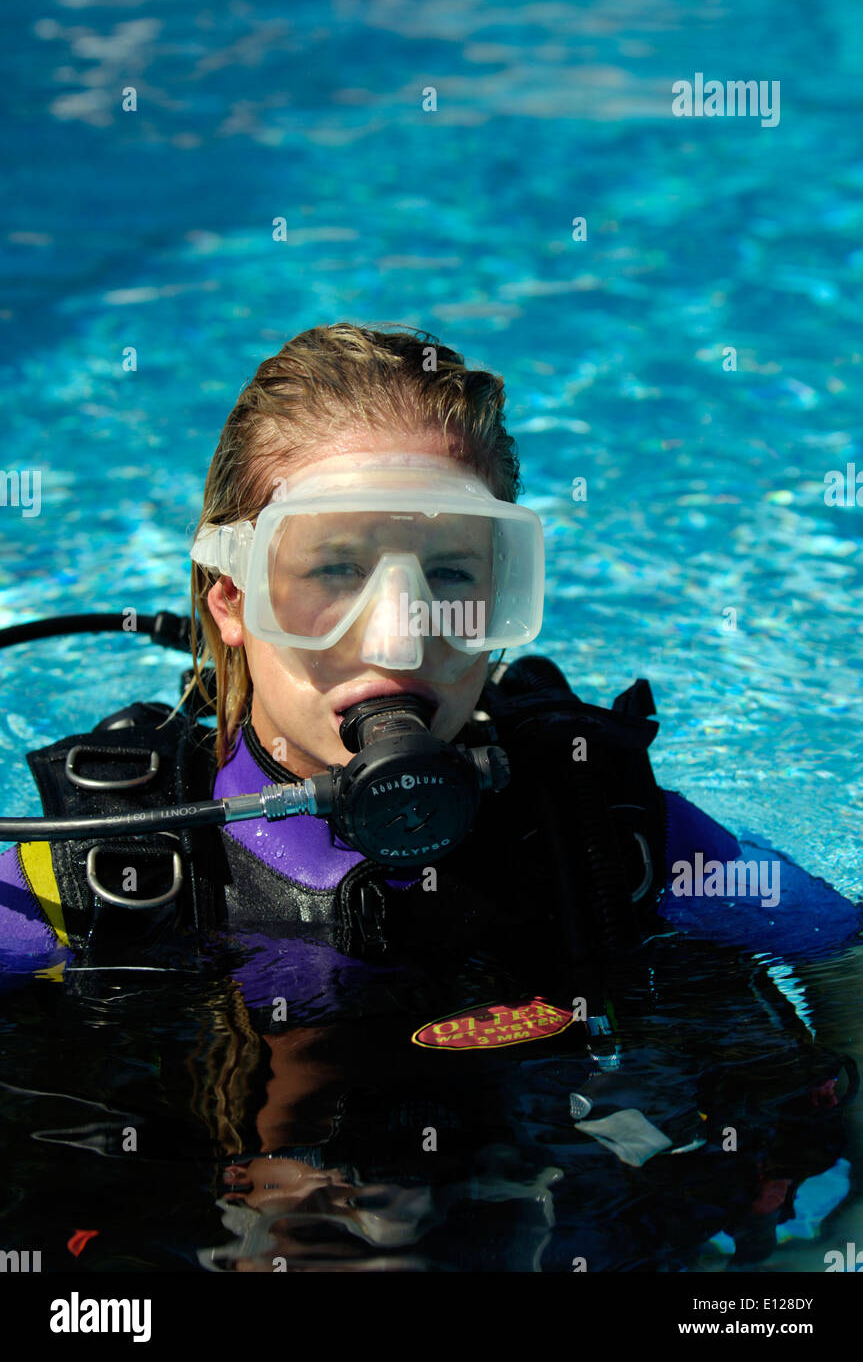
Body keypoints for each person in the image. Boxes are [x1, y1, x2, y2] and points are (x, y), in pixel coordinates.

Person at [0, 322, 859, 1270]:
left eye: (452, 574)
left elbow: (844, 956)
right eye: (331, 569)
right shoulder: (92, 872)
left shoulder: (600, 830)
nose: (401, 637)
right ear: (230, 599)